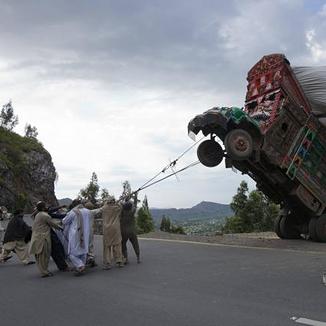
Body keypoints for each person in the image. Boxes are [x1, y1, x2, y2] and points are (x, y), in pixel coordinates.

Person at [29, 202, 62, 277]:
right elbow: (53, 224)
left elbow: (32, 216)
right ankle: (45, 272)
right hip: (43, 238)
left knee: (39, 256)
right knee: (44, 255)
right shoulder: (45, 215)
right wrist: (61, 228)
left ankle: (43, 270)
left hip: (36, 237)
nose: (47, 207)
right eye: (45, 206)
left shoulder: (37, 214)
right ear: (43, 208)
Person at [62, 199, 92, 276]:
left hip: (76, 234)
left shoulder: (73, 212)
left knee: (72, 252)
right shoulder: (87, 211)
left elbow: (65, 221)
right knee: (83, 250)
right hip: (85, 233)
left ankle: (80, 266)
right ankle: (81, 265)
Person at [102, 196, 124, 270]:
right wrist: (117, 202)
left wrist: (109, 202)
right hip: (115, 228)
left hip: (107, 229)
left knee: (107, 246)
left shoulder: (104, 208)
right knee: (117, 245)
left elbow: (104, 206)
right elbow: (121, 206)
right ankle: (119, 261)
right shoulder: (117, 208)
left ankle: (108, 263)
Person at [47, 206, 70, 272]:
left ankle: (62, 265)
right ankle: (63, 266)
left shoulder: (41, 214)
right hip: (49, 235)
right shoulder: (45, 216)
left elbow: (55, 213)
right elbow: (58, 217)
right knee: (57, 248)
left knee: (55, 250)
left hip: (48, 234)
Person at [120, 193, 140, 264]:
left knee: (123, 244)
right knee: (135, 244)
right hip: (132, 231)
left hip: (124, 232)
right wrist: (135, 196)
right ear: (130, 207)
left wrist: (124, 198)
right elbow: (135, 204)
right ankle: (138, 258)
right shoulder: (132, 212)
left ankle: (126, 258)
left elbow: (121, 204)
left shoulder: (122, 213)